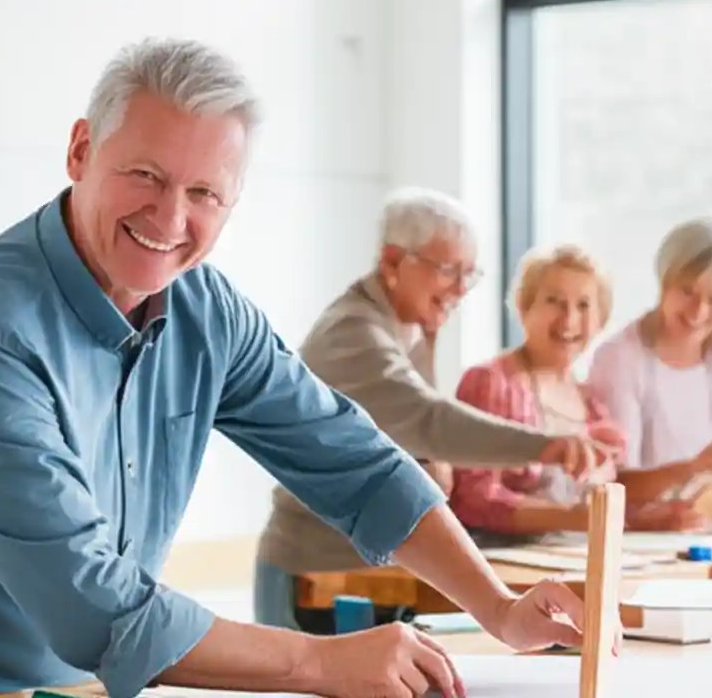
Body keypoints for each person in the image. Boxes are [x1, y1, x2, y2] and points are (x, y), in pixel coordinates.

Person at [0, 39, 608, 698]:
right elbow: (92, 605)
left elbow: (357, 466)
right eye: (145, 175)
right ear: (81, 151)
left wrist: (497, 608)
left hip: (77, 685)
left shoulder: (206, 308)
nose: (171, 218)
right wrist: (321, 662)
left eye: (204, 192)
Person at [254, 190, 619, 632]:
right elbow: (429, 420)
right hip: (318, 573)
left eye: (469, 274)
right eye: (448, 270)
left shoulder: (411, 325)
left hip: (373, 568)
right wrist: (546, 447)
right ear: (392, 262)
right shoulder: (355, 334)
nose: (461, 289)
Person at [449, 245, 708, 535]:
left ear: (600, 320)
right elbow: (473, 499)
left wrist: (658, 511)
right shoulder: (491, 383)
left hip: (572, 552)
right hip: (503, 555)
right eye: (554, 301)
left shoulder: (590, 401)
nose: (569, 320)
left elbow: (610, 494)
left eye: (584, 306)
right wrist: (582, 519)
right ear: (525, 307)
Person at [587, 218, 712, 498]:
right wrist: (694, 468)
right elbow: (614, 486)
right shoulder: (620, 359)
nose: (699, 312)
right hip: (642, 522)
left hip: (702, 517)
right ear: (664, 282)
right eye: (688, 292)